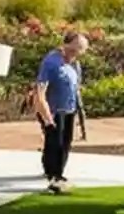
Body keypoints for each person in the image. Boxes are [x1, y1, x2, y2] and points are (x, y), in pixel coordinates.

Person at [33, 31, 88, 194]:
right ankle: (54, 177)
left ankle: (58, 174)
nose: (76, 53)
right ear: (66, 45)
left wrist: (79, 110)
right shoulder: (51, 62)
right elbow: (40, 91)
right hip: (53, 110)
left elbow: (75, 88)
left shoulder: (74, 64)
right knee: (54, 143)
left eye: (80, 50)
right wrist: (47, 118)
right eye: (75, 49)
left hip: (69, 109)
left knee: (65, 143)